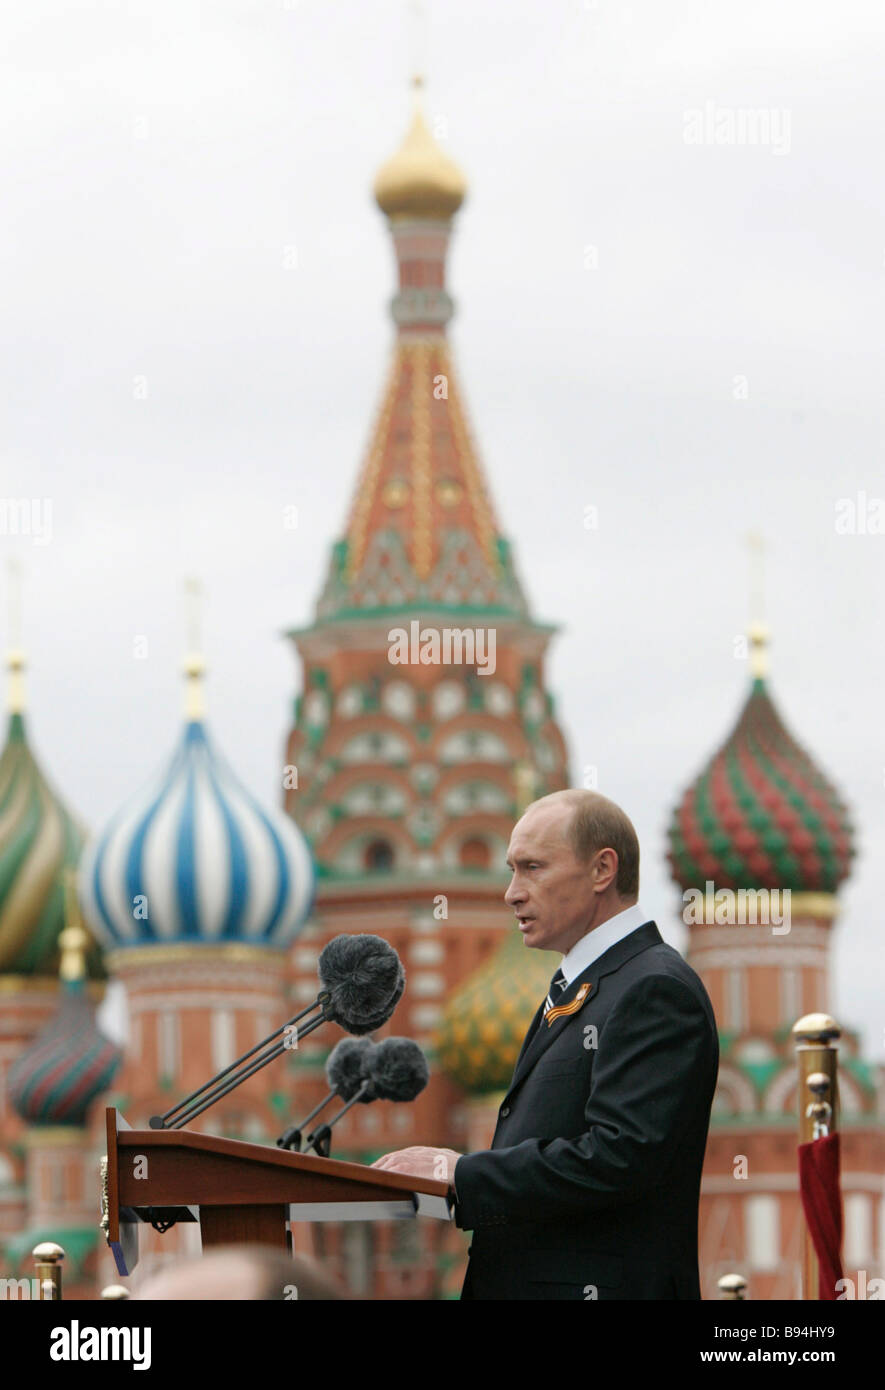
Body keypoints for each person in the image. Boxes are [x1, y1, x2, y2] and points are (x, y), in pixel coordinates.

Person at [372, 788, 719, 1299]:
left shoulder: (652, 988)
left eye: (532, 868)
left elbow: (620, 1157)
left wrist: (462, 1172)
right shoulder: (584, 984)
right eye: (512, 870)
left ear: (603, 870)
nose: (511, 892)